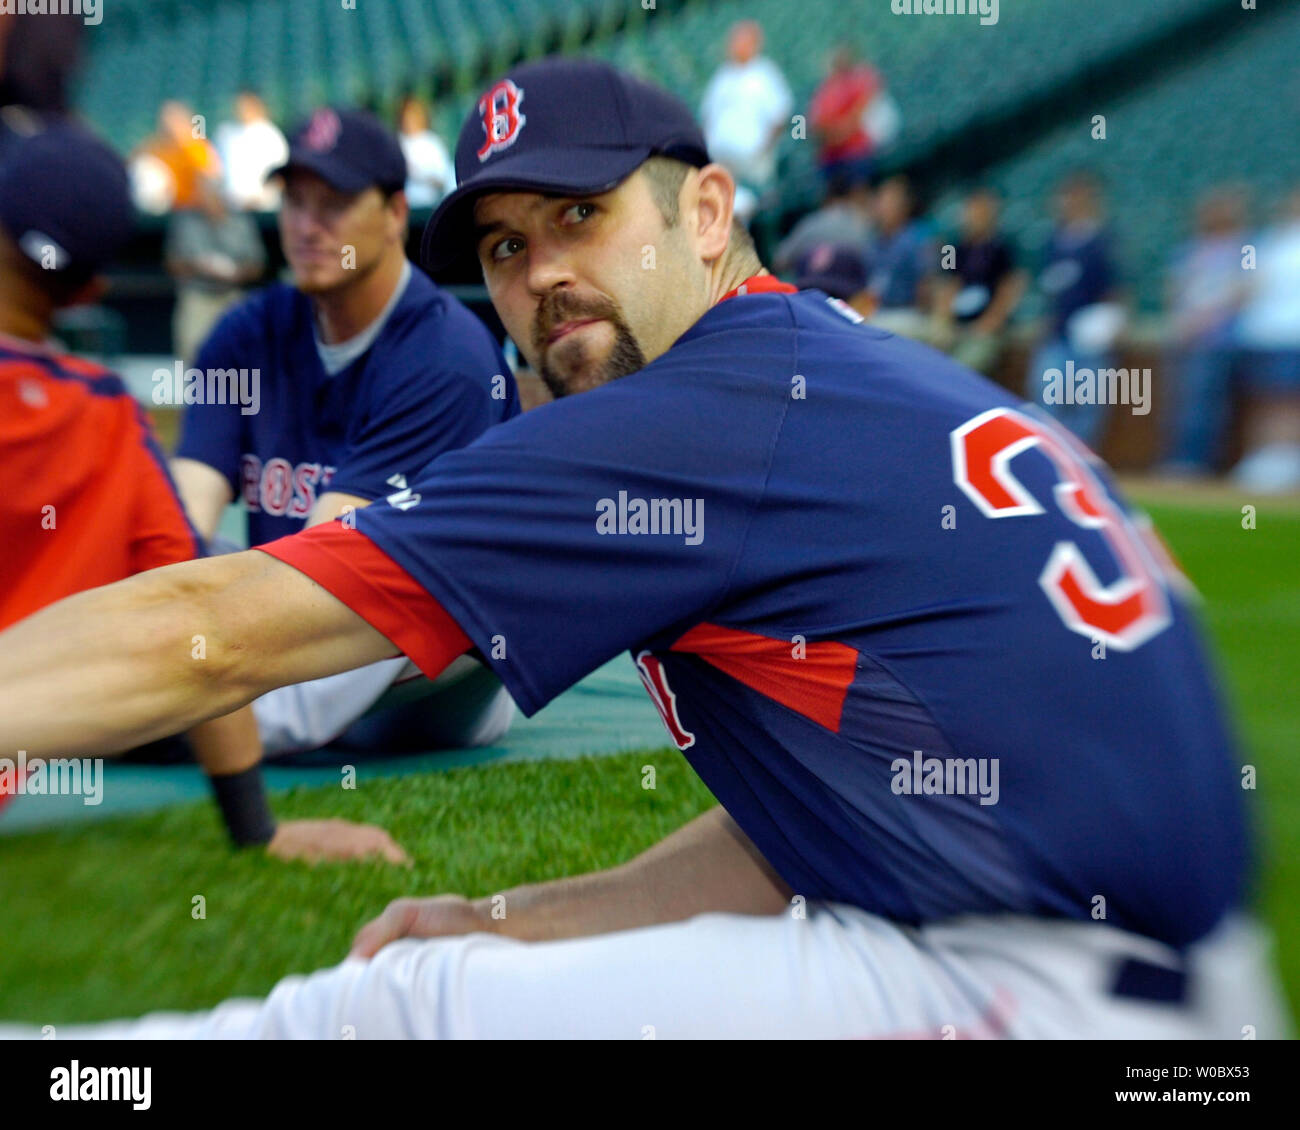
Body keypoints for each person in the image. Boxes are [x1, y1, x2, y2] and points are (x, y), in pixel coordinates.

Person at [0, 58, 1287, 1040]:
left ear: (709, 212)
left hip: (1032, 988)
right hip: (1167, 990)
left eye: (580, 213)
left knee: (407, 1010)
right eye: (506, 246)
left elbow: (202, 629)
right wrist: (516, 917)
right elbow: (817, 831)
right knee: (454, 962)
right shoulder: (840, 374)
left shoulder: (693, 418)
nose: (542, 271)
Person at [0, 120, 404, 865]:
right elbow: (199, 622)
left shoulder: (430, 349)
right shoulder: (107, 423)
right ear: (93, 287)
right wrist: (259, 830)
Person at [170, 106, 519, 757]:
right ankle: (155, 702)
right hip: (284, 620)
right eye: (295, 201)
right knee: (147, 549)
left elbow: (326, 572)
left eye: (333, 203)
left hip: (428, 668)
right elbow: (180, 520)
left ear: (392, 214)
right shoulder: (245, 333)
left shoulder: (446, 356)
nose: (307, 225)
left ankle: (149, 719)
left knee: (383, 580)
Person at [1026, 170, 1123, 449]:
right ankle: (1050, 453)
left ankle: (1081, 456)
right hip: (1059, 331)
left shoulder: (1103, 240)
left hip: (1091, 334)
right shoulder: (1052, 240)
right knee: (1047, 395)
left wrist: (1115, 323)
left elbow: (1116, 287)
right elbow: (1050, 289)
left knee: (1088, 402)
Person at [1160, 186, 1250, 476]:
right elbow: (1174, 288)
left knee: (1206, 405)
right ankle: (1178, 459)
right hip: (1185, 338)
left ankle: (1197, 463)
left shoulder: (1243, 248)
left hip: (1218, 340)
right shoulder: (1190, 248)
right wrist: (1181, 322)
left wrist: (1206, 320)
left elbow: (1244, 288)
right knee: (1178, 402)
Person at [1230, 186, 1300, 493]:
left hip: (1291, 334)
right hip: (1261, 334)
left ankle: (1283, 460)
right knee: (1262, 397)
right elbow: (1250, 283)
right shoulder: (1273, 238)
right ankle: (1264, 457)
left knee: (1285, 400)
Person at [698, 20, 792, 224]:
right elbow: (707, 116)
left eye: (742, 40)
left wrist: (763, 150)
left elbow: (780, 116)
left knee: (750, 208)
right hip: (721, 159)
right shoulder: (722, 76)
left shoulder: (765, 74)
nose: (735, 45)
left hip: (752, 161)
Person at [165, 177, 266, 363]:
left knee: (237, 356)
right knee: (192, 356)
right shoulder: (186, 222)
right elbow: (172, 265)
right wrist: (199, 265)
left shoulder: (241, 223)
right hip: (197, 296)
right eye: (202, 195)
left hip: (231, 296)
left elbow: (257, 267)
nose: (204, 200)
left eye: (210, 196)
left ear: (221, 197)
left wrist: (233, 272)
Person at [931, 186, 1027, 376]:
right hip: (957, 325)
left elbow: (1011, 287)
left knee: (966, 364)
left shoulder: (1004, 246)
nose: (976, 215)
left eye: (982, 209)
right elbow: (946, 285)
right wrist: (944, 322)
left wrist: (987, 324)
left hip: (986, 327)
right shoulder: (951, 247)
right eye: (972, 209)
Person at [864, 174, 937, 340]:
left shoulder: (920, 236)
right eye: (881, 200)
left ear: (904, 206)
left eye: (890, 201)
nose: (883, 207)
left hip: (908, 312)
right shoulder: (873, 243)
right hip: (880, 311)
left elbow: (936, 274)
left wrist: (931, 315)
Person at [808, 47, 883, 190]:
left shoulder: (862, 80)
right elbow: (813, 128)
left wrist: (836, 134)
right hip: (831, 157)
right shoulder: (823, 92)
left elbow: (857, 118)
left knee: (859, 188)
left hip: (856, 152)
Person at [771, 174, 873, 277]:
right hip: (852, 289)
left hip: (812, 288)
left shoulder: (811, 224)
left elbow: (779, 261)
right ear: (851, 197)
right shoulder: (864, 227)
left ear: (827, 197)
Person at [214, 89, 289, 212]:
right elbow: (214, 170)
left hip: (263, 208)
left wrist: (260, 199)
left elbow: (280, 177)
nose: (242, 108)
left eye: (246, 104)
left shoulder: (271, 135)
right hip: (228, 209)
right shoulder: (224, 133)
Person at [397, 93, 453, 208]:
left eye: (413, 116)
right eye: (407, 116)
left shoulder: (433, 143)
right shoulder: (396, 143)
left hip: (430, 206)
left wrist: (421, 175)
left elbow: (443, 180)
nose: (409, 120)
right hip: (407, 209)